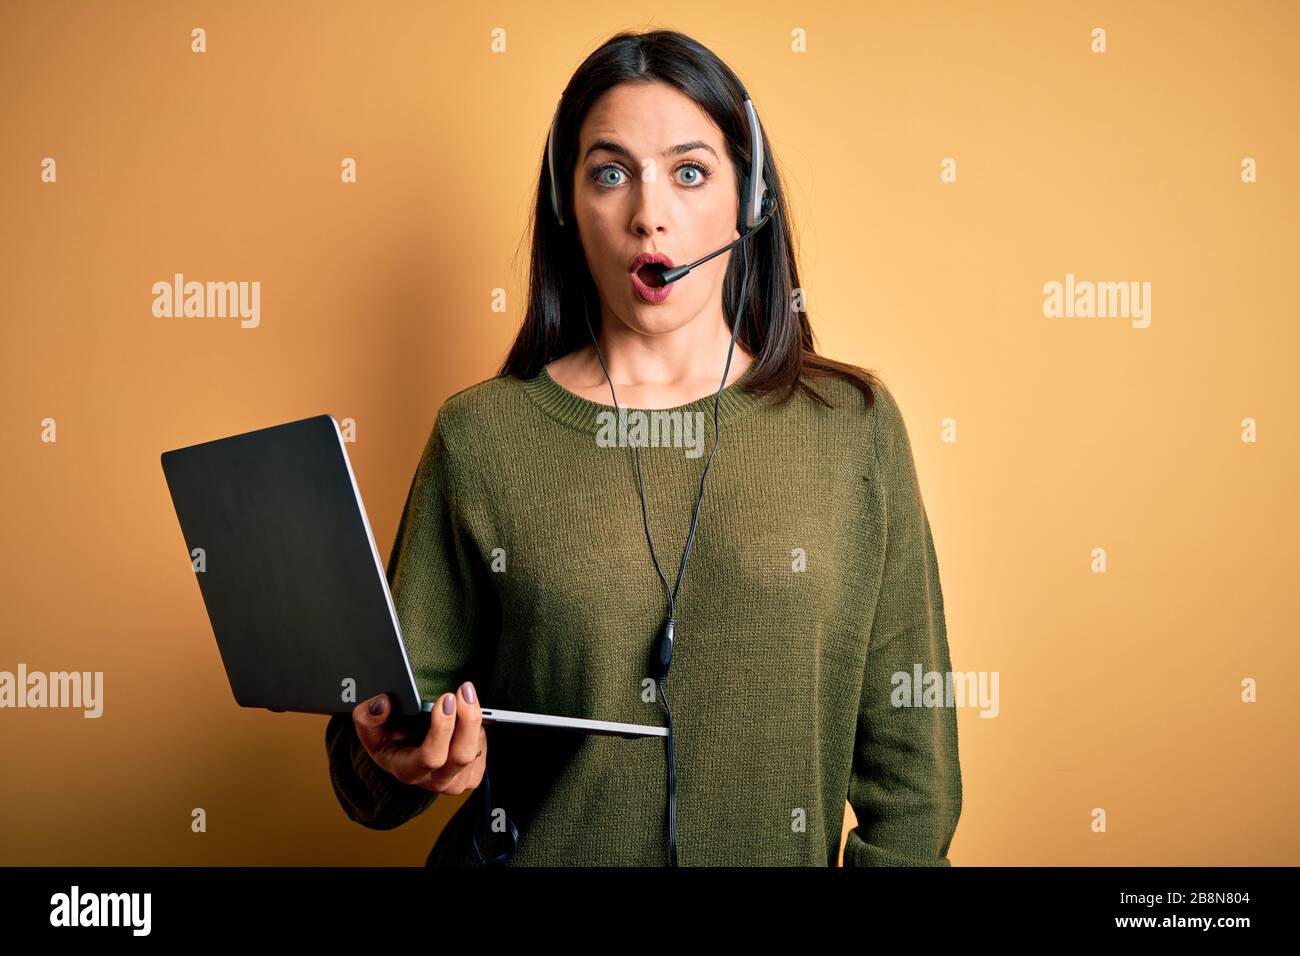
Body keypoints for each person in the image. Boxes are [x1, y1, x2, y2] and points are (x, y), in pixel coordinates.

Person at [324, 28, 962, 866]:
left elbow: (914, 783)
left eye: (689, 171)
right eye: (610, 173)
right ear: (568, 207)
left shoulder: (854, 429)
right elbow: (370, 761)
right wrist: (402, 755)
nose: (648, 214)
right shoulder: (482, 437)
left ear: (750, 200)